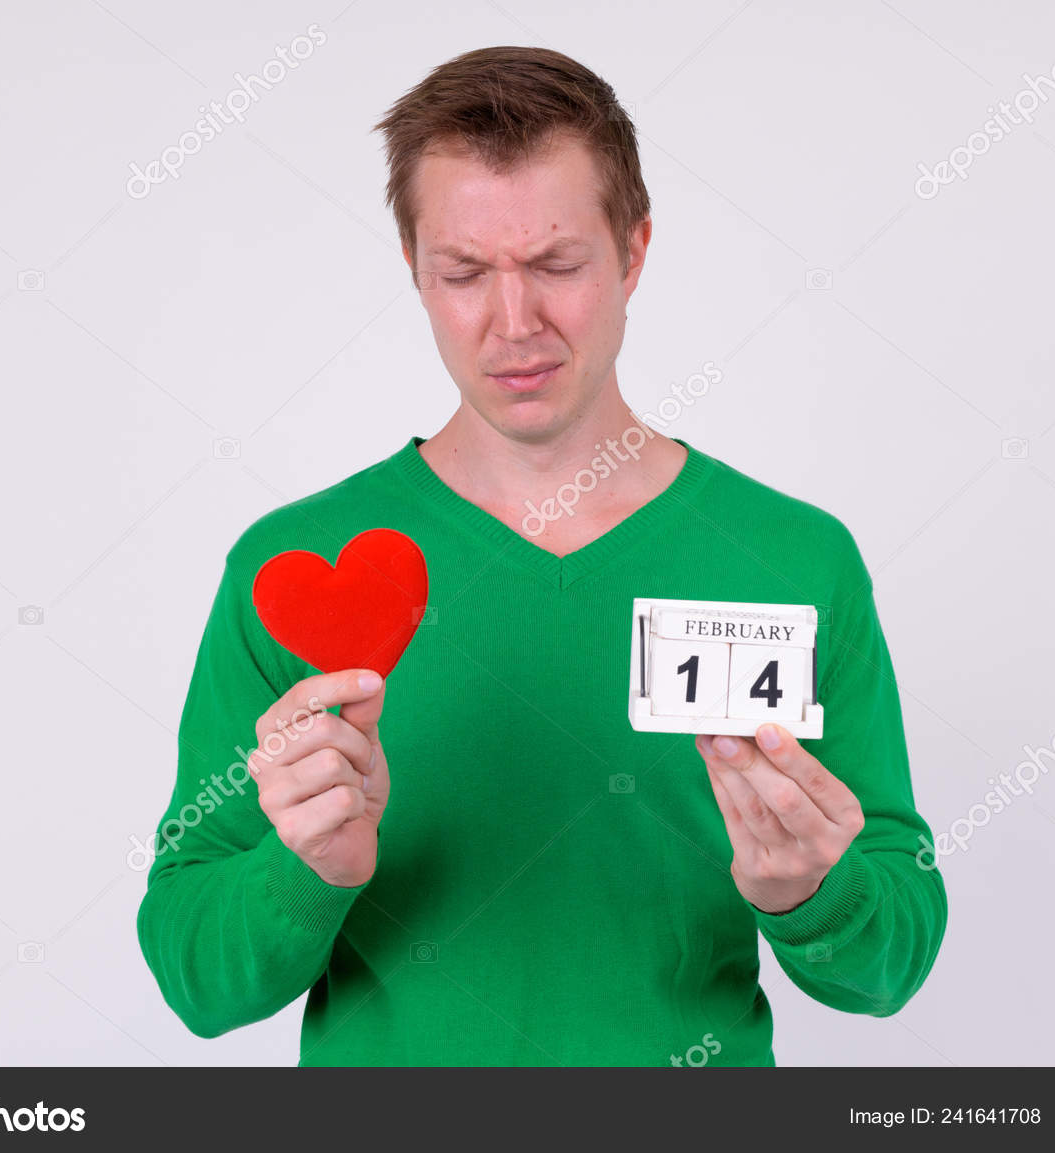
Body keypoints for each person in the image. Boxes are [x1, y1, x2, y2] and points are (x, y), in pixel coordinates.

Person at [137, 45, 946, 1066]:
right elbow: (197, 983)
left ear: (633, 252)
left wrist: (816, 891)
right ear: (413, 268)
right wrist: (306, 870)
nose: (514, 324)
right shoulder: (294, 567)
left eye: (557, 266)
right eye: (464, 273)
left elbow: (891, 961)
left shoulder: (793, 559)